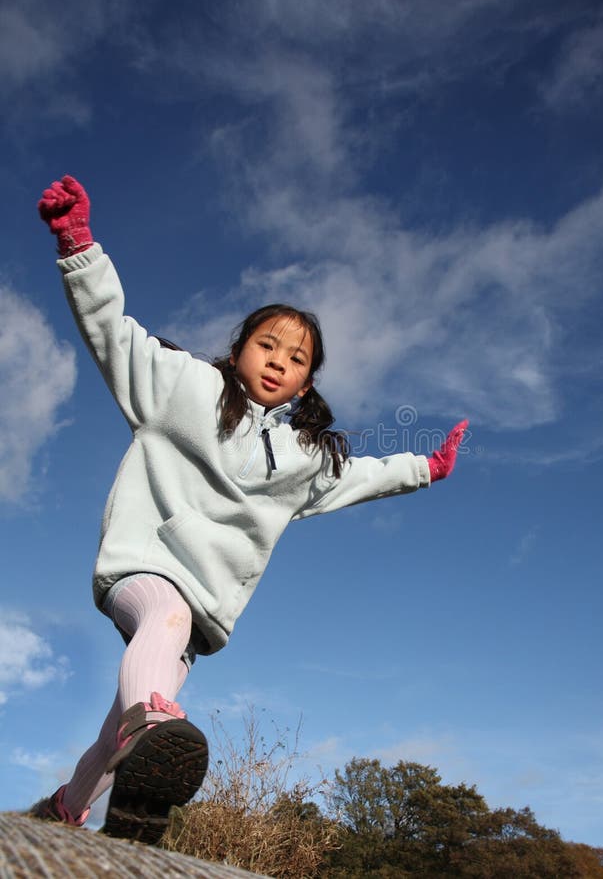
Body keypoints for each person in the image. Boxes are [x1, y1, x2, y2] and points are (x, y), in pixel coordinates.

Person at [30, 175, 468, 844]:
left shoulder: (301, 457)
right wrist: (79, 247)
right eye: (267, 345)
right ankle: (152, 720)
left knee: (115, 730)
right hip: (141, 569)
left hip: (203, 607)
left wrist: (425, 468)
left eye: (295, 359)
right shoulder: (182, 387)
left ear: (306, 381)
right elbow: (113, 335)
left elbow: (362, 477)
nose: (277, 362)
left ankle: (67, 806)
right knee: (162, 626)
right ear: (238, 348)